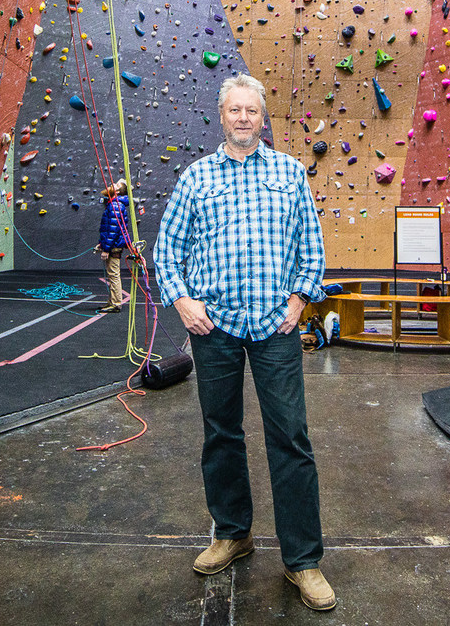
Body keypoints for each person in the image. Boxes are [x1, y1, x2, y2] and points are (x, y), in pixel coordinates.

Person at [153, 73, 335, 612]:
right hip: (215, 330)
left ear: (262, 117)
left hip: (277, 327)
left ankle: (303, 561)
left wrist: (299, 301)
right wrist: (183, 302)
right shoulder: (196, 177)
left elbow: (312, 245)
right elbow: (167, 249)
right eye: (235, 110)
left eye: (252, 111)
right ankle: (233, 534)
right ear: (222, 115)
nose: (243, 118)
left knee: (291, 439)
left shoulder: (289, 173)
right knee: (221, 434)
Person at [95, 179, 133, 312]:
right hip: (113, 245)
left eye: (115, 185)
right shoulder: (115, 204)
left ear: (117, 191)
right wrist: (102, 244)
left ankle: (116, 303)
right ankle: (112, 302)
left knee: (113, 275)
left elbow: (113, 229)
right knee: (112, 274)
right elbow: (110, 229)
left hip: (113, 247)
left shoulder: (115, 205)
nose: (112, 185)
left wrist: (106, 249)